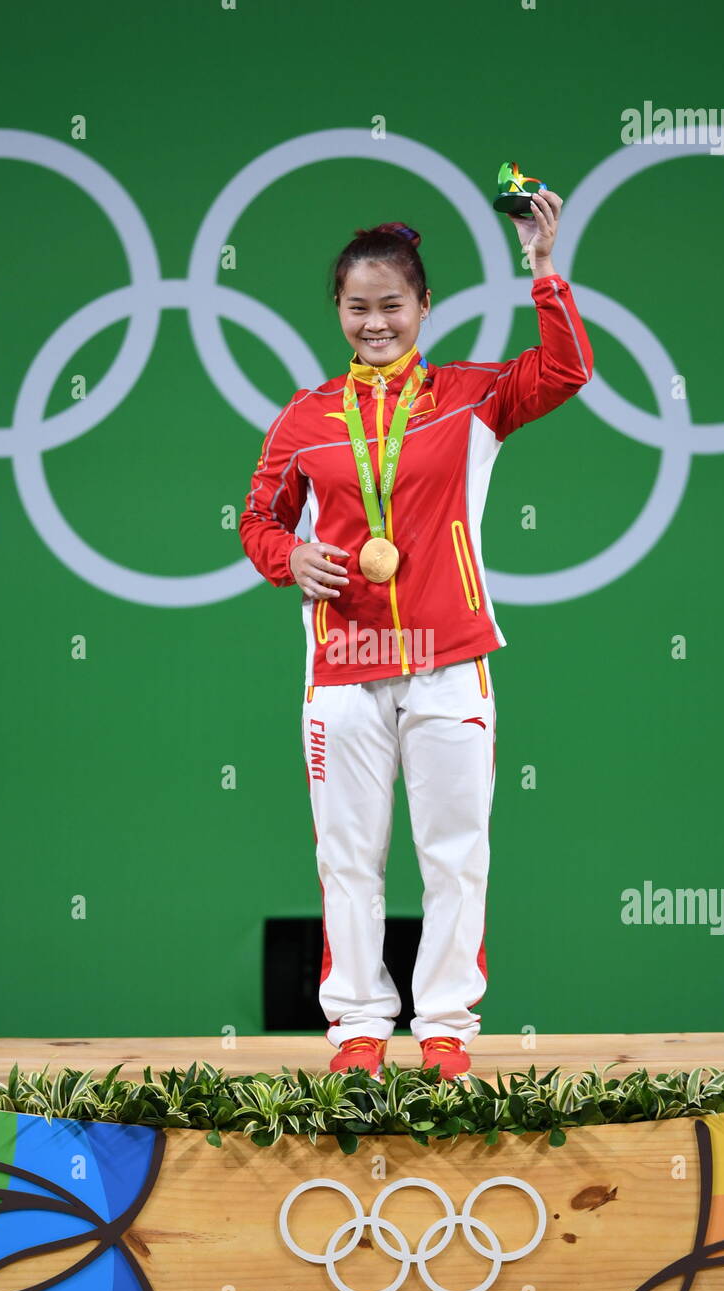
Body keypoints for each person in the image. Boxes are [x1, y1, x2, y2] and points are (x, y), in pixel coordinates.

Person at [240, 190, 593, 1081]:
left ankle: (445, 1032)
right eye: (357, 307)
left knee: (455, 855)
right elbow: (257, 523)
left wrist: (542, 270)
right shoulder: (304, 419)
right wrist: (291, 559)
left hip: (451, 663)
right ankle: (357, 1028)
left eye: (391, 305)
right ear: (338, 312)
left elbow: (566, 372)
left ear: (424, 307)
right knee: (348, 859)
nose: (374, 322)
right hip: (345, 665)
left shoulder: (470, 397)